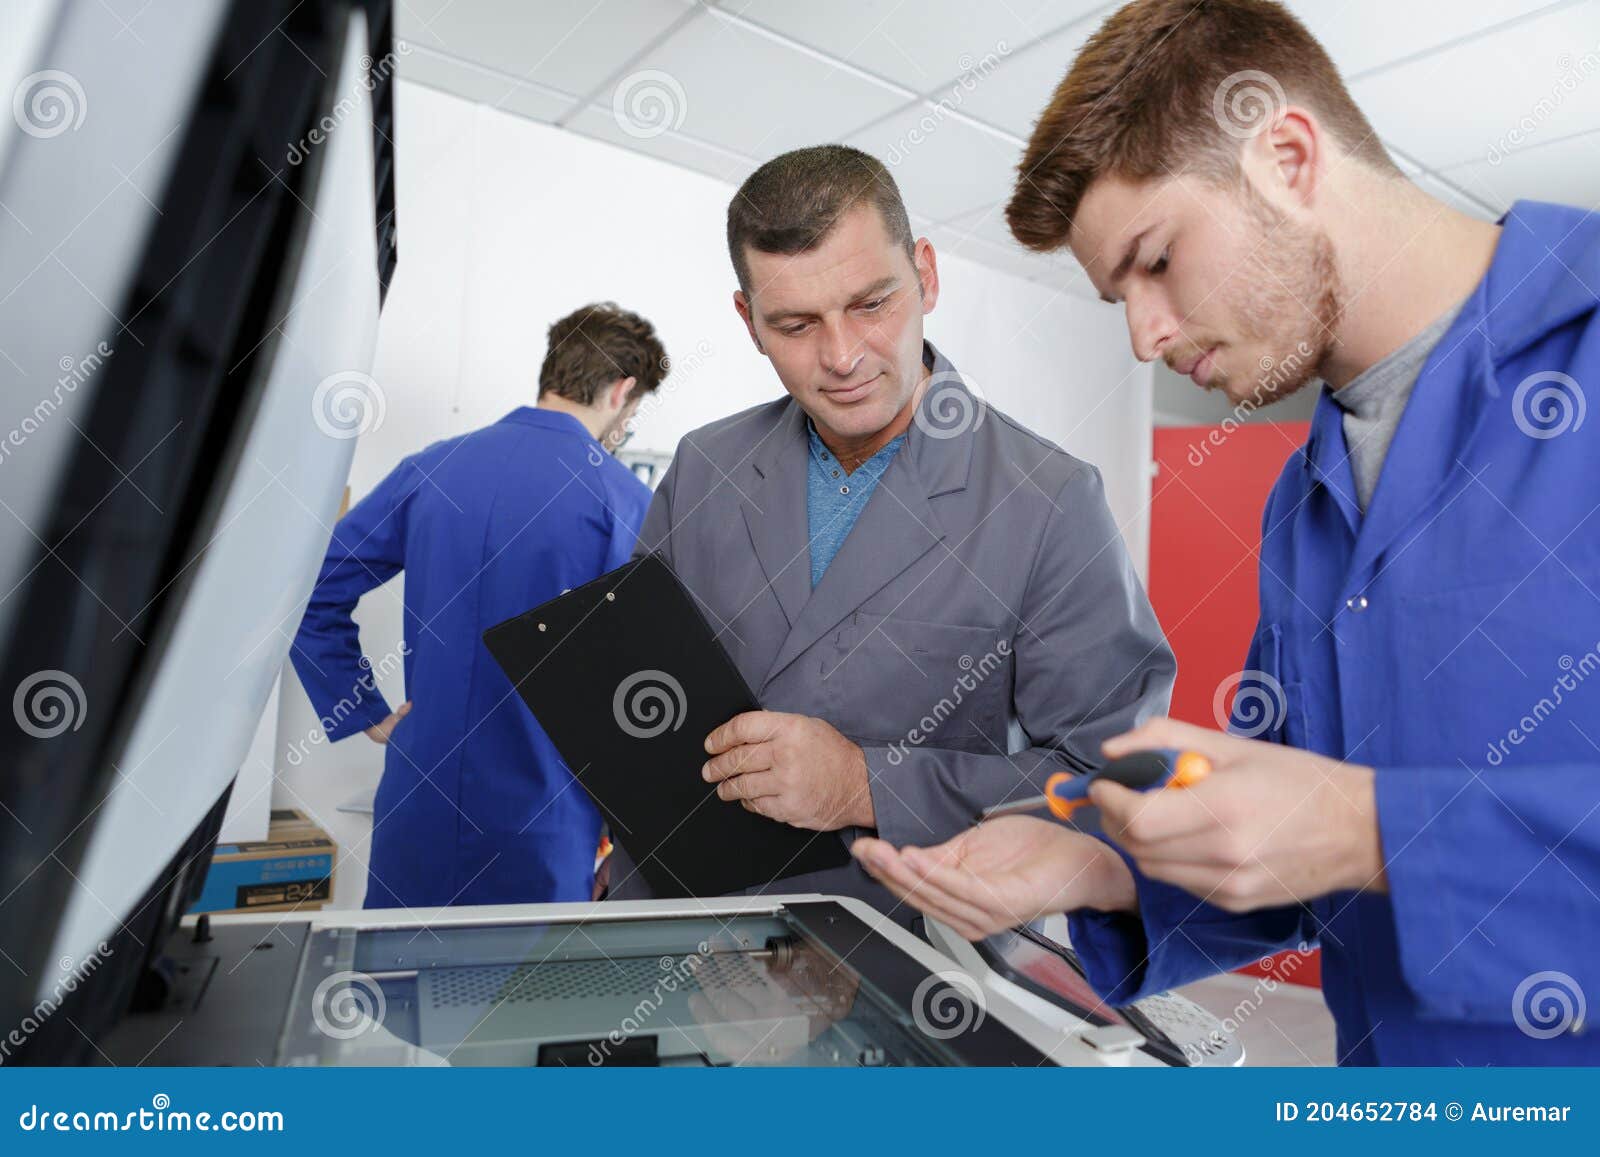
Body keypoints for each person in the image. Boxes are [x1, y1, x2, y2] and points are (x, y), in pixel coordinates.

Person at [856, 0, 1600, 1065]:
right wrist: (1098, 868)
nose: (1145, 335)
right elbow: (1301, 855)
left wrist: (1374, 828)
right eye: (1118, 294)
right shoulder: (1304, 503)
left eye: (1154, 261)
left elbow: (1348, 829)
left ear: (1288, 157)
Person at [602, 145, 1176, 922]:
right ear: (749, 322)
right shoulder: (707, 465)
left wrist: (865, 783)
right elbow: (638, 688)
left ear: (927, 276)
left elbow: (1110, 787)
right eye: (796, 324)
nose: (841, 357)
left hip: (896, 955)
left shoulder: (1051, 502)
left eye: (872, 304)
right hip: (670, 918)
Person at [291, 303, 667, 909]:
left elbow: (311, 588)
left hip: (419, 805)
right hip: (543, 823)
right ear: (624, 390)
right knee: (521, 1000)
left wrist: (362, 710)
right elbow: (645, 689)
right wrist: (630, 845)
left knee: (395, 989)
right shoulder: (622, 501)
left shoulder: (433, 468)